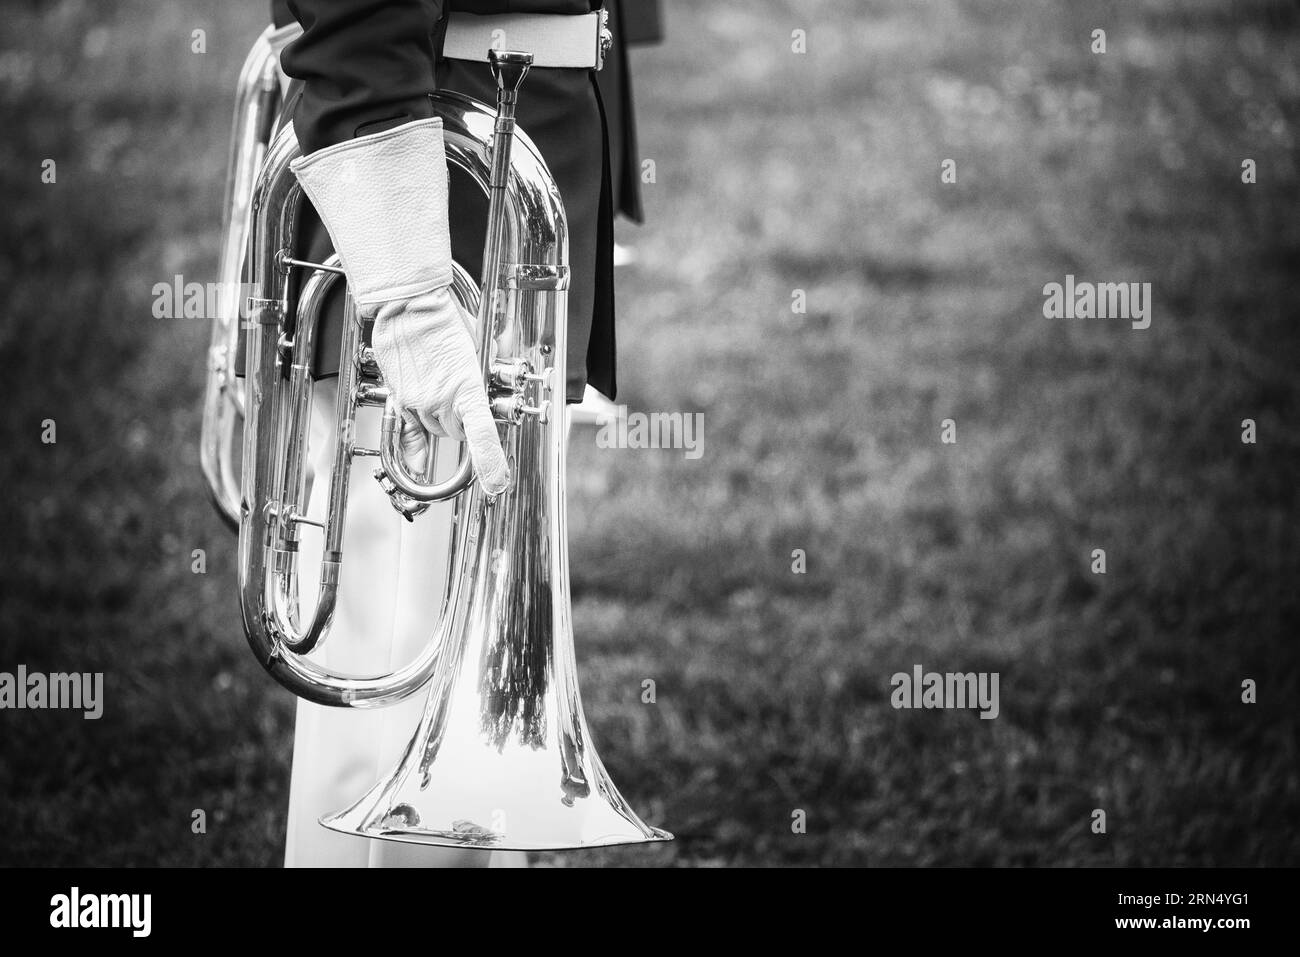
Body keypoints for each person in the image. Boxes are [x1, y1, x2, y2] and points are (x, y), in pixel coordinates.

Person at [255, 0, 631, 867]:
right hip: (435, 193)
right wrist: (409, 290)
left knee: (479, 695)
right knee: (393, 684)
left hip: (515, 153)